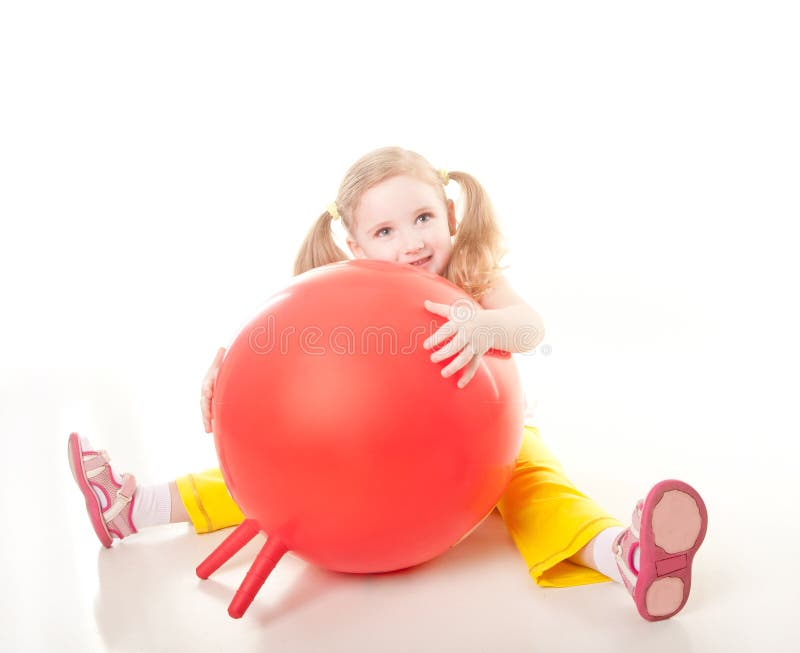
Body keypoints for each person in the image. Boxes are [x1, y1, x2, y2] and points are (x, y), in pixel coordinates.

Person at [67, 146, 707, 622]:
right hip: (360, 456)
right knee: (271, 484)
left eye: (424, 217)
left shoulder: (471, 275)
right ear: (352, 242)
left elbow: (529, 325)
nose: (411, 242)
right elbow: (276, 345)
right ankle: (134, 508)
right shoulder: (344, 293)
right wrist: (223, 368)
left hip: (482, 449)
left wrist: (484, 328)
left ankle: (621, 555)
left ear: (450, 214)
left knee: (537, 483)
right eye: (385, 231)